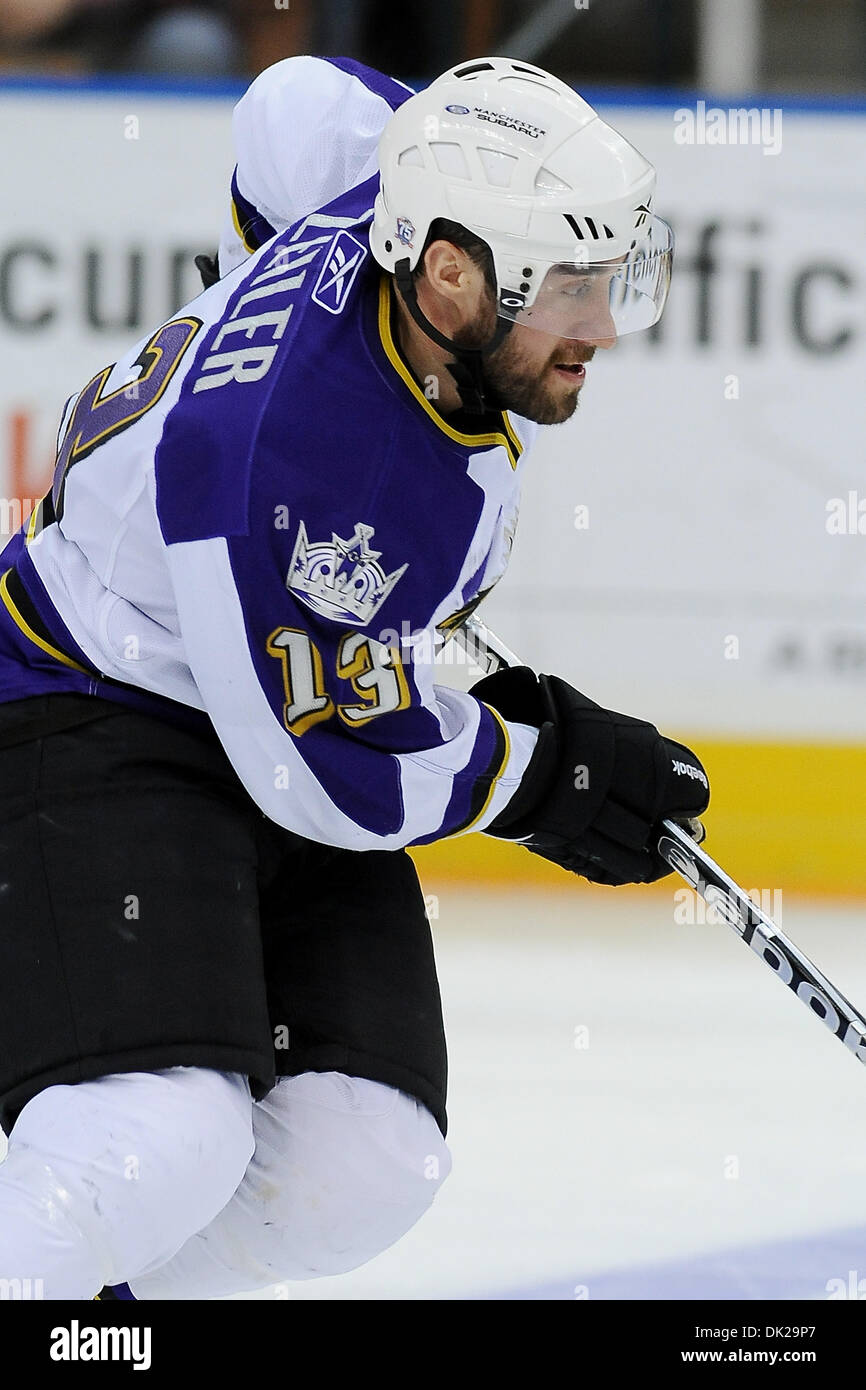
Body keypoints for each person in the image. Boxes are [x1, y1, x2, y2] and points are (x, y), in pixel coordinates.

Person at [0, 54, 709, 1300]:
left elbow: (293, 107)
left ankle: (96, 1314)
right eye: (571, 290)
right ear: (445, 274)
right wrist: (543, 770)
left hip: (253, 677)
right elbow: (318, 773)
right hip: (85, 699)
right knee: (159, 1139)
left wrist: (450, 126)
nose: (599, 327)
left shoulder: (390, 186)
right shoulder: (286, 462)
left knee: (362, 1161)